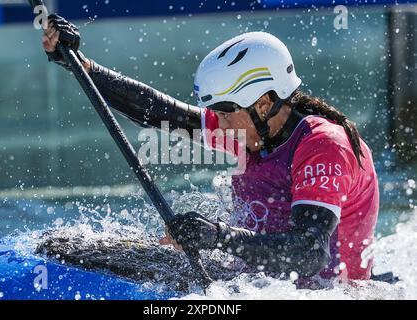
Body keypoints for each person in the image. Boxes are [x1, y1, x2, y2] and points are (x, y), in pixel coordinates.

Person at [42, 14, 379, 283]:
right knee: (75, 249)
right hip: (256, 282)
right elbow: (160, 112)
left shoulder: (324, 147)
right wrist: (81, 66)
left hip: (325, 292)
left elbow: (310, 252)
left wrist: (217, 236)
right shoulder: (250, 127)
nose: (218, 123)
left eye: (224, 113)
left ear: (263, 103)